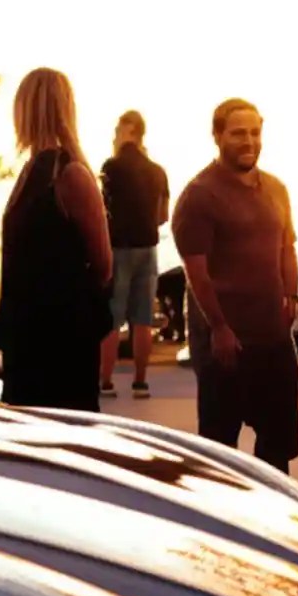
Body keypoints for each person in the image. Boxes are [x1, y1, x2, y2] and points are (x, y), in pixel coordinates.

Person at [171, 98, 298, 473]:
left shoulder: (275, 188)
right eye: (238, 133)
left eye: (255, 132)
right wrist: (219, 327)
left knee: (278, 449)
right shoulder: (200, 195)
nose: (249, 141)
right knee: (220, 453)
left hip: (274, 339)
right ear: (217, 136)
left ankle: (277, 524)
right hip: (225, 343)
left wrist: (291, 293)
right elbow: (197, 271)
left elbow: (287, 247)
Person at [0, 68, 113, 411]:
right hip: (27, 334)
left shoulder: (69, 174)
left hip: (62, 338)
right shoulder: (32, 172)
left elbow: (103, 264)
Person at [98, 110, 169, 399]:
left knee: (112, 317)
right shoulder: (157, 171)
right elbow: (163, 214)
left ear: (129, 131)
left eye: (118, 129)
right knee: (142, 318)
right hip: (148, 248)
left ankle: (105, 382)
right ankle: (140, 382)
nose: (115, 135)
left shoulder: (111, 167)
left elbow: (101, 209)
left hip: (118, 248)